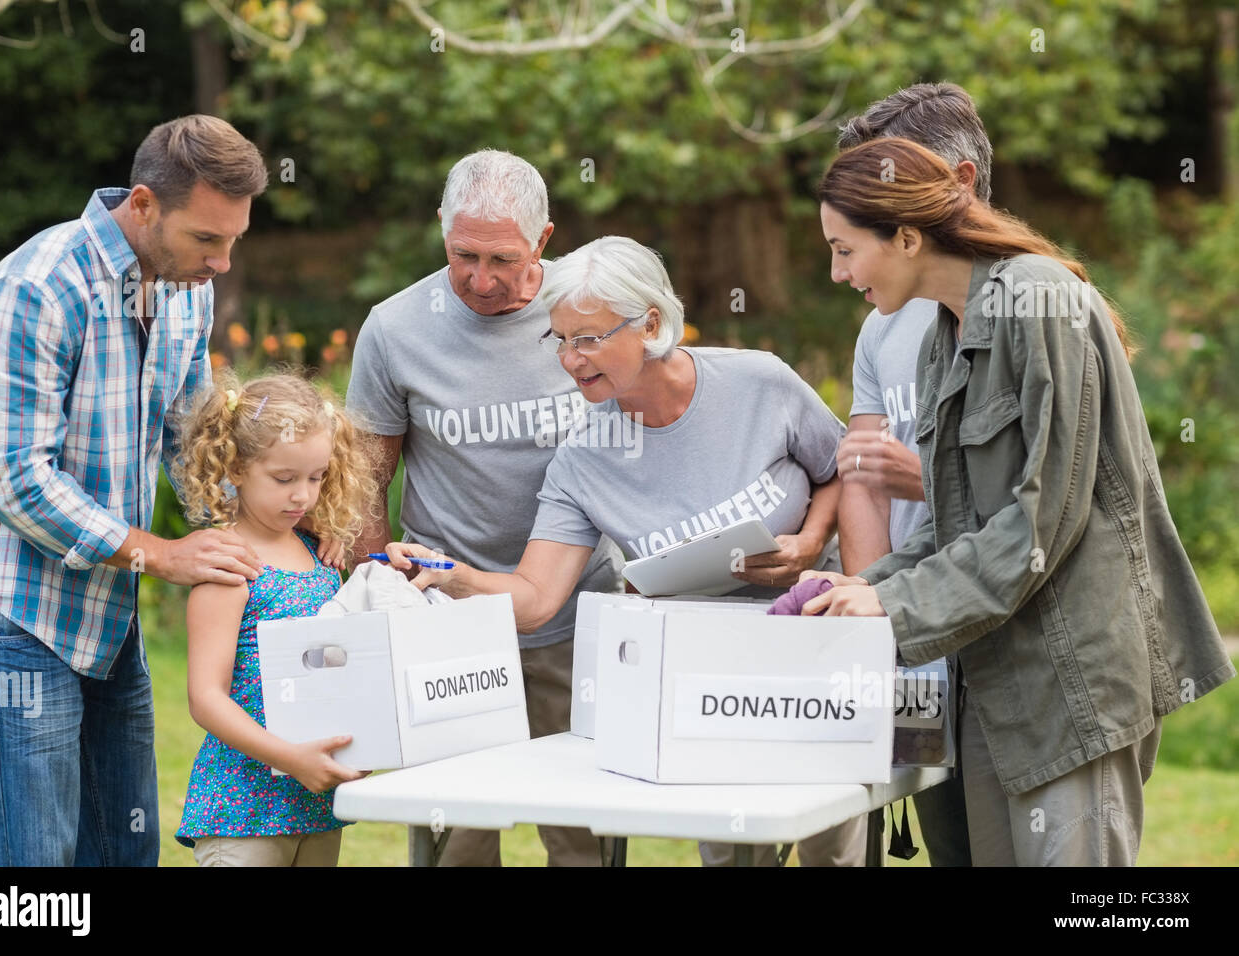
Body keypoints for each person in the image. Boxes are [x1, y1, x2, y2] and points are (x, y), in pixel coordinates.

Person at [806, 137, 1236, 865]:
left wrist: (895, 606)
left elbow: (1043, 521)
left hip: (1071, 686)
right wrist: (860, 588)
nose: (837, 272)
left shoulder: (1042, 300)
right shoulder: (946, 332)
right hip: (995, 681)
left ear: (907, 237)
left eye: (845, 250)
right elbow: (954, 524)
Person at [388, 235, 867, 867]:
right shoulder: (582, 459)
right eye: (558, 339)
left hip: (812, 645)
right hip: (704, 674)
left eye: (586, 338)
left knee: (830, 849)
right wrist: (453, 577)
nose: (569, 359)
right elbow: (534, 601)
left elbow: (842, 469)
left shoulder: (759, 382)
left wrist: (810, 542)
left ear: (651, 324)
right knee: (729, 853)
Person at [0, 115, 269, 867]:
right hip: (12, 607)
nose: (221, 263)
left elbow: (193, 442)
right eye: (205, 241)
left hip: (105, 609)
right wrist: (162, 556)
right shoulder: (36, 286)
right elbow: (16, 480)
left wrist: (273, 540)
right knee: (36, 863)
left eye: (233, 242)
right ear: (145, 205)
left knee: (124, 849)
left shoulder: (188, 292)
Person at [346, 149, 623, 867]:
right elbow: (365, 482)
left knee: (586, 838)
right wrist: (385, 594)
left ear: (544, 241)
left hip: (579, 614)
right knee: (456, 842)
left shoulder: (590, 313)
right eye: (462, 253)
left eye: (502, 259)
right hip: (449, 626)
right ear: (441, 227)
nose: (479, 278)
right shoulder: (396, 328)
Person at [832, 82, 992, 867]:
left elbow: (1054, 496)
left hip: (999, 631)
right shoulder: (881, 323)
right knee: (949, 846)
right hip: (911, 634)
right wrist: (872, 613)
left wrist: (929, 478)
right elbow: (860, 475)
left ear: (956, 183)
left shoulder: (1032, 306)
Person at [173, 373, 375, 866]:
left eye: (317, 476)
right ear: (237, 468)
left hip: (316, 804)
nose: (303, 496)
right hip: (243, 809)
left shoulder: (318, 552)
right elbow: (206, 698)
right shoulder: (228, 564)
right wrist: (289, 758)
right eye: (284, 479)